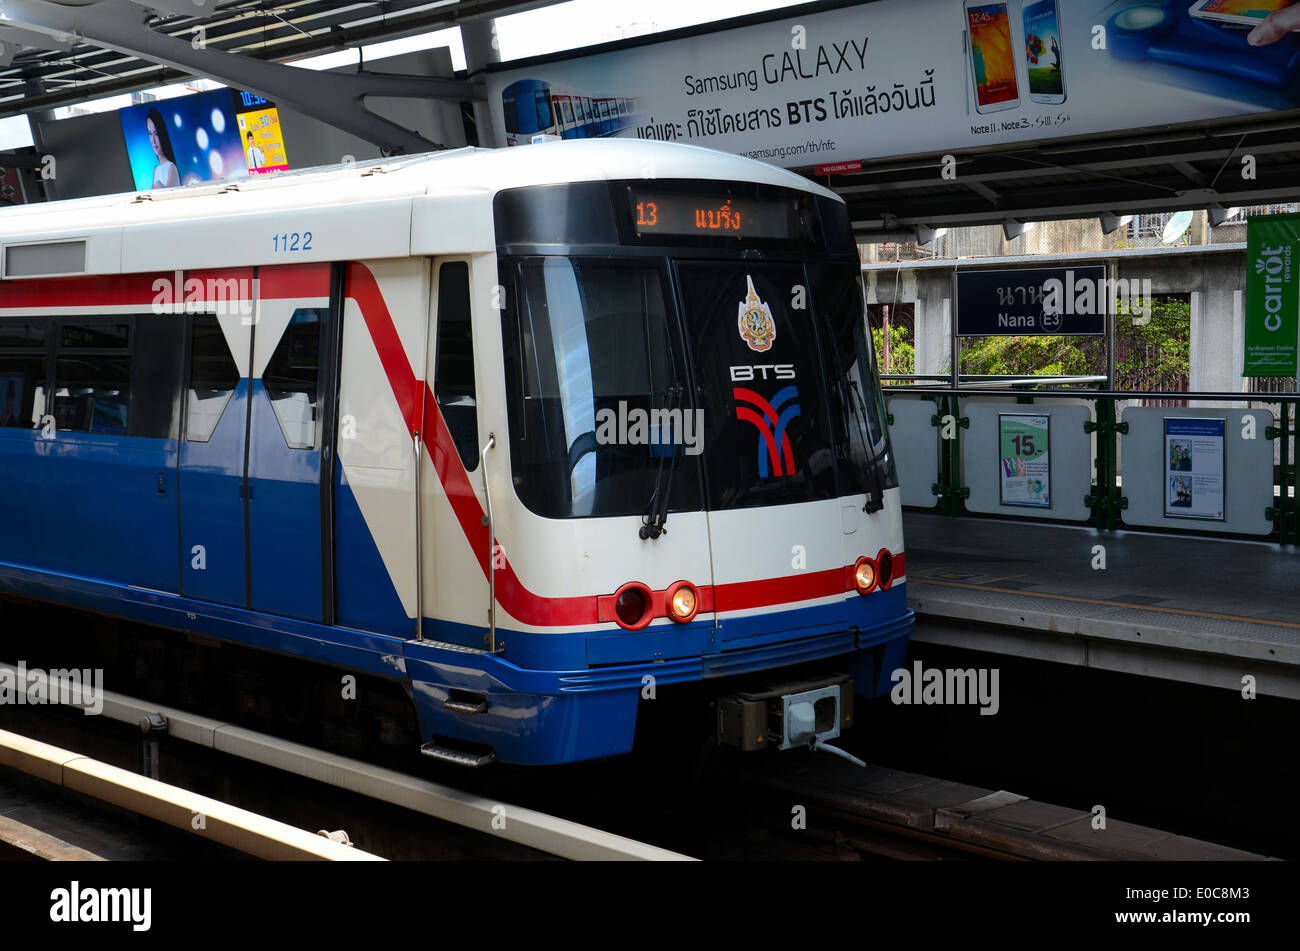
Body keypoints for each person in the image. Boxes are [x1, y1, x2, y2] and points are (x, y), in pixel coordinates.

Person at [146, 108, 180, 188]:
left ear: (162, 134)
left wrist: (158, 185)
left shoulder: (171, 167)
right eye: (150, 134)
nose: (153, 140)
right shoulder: (156, 170)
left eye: (156, 133)